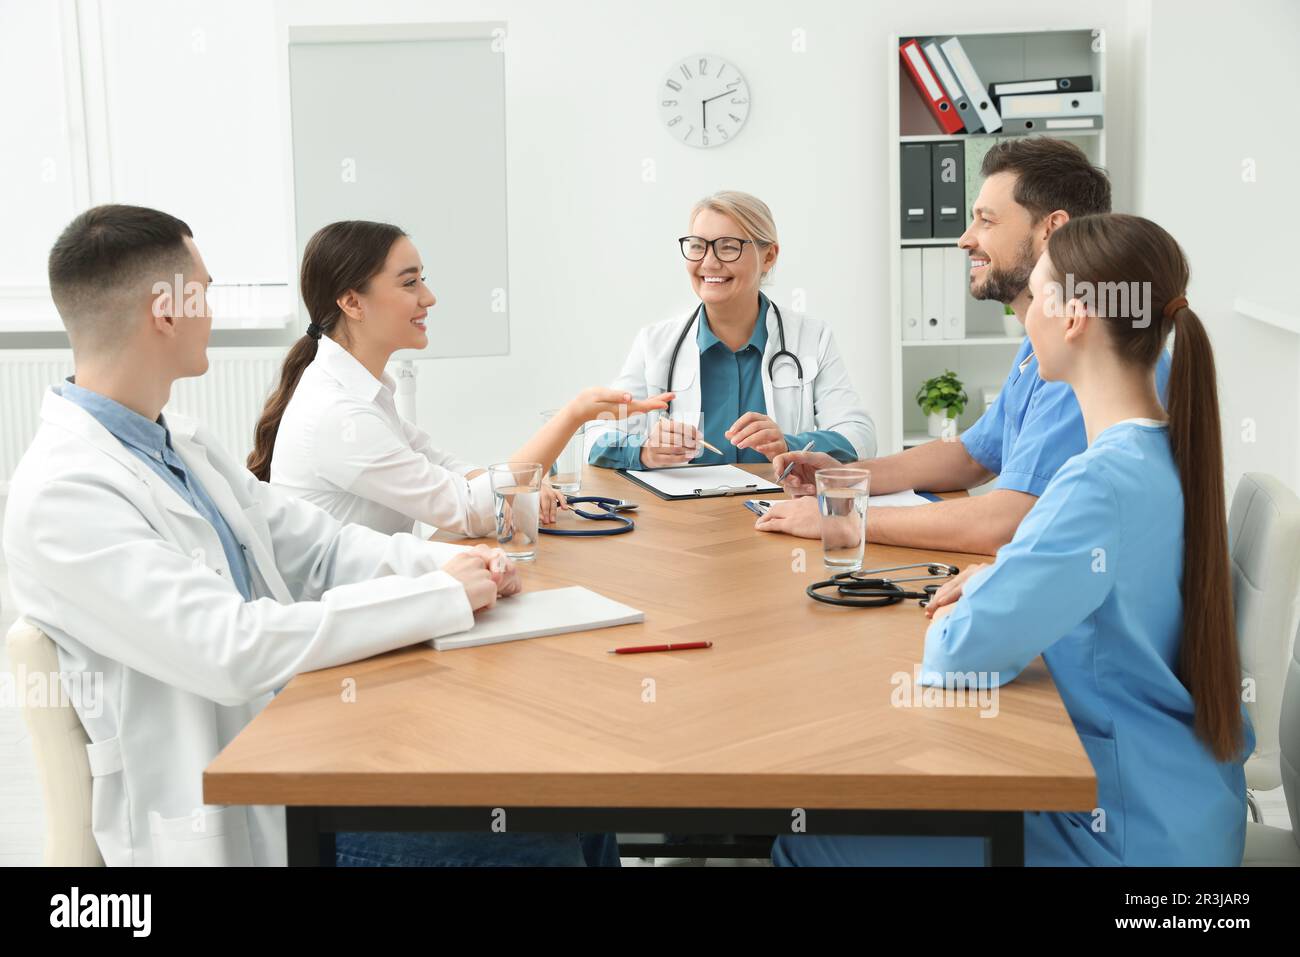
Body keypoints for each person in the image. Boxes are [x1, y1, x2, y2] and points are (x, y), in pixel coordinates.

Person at [1, 205, 597, 867]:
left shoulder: (184, 443)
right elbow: (232, 648)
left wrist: (460, 565)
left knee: (586, 806)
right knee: (548, 838)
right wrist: (442, 597)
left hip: (303, 746)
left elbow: (323, 548)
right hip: (240, 813)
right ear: (165, 311)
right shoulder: (63, 494)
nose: (213, 311)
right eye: (206, 292)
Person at [775, 213, 1253, 866]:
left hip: (1123, 835)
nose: (1026, 315)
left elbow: (958, 654)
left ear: (1075, 318)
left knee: (811, 841)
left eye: (1039, 295)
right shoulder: (1160, 451)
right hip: (1176, 807)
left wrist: (988, 590)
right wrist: (1001, 578)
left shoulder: (1096, 482)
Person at [757, 138, 1168, 556]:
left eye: (986, 221)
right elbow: (972, 455)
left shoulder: (1084, 360)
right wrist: (847, 477)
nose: (964, 239)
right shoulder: (1042, 347)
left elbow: (1005, 524)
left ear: (1052, 230)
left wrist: (841, 518)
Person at [249, 220, 671, 537]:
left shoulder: (362, 392)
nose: (428, 297)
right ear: (352, 303)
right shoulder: (338, 416)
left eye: (423, 279)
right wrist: (572, 416)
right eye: (410, 282)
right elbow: (474, 511)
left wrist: (518, 486)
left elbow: (444, 465)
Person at [587, 190, 874, 469]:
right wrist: (644, 450)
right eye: (698, 245)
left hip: (780, 511)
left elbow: (859, 436)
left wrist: (789, 445)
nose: (709, 262)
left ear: (769, 256)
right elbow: (595, 435)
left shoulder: (812, 338)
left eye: (728, 246)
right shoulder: (654, 343)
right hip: (684, 515)